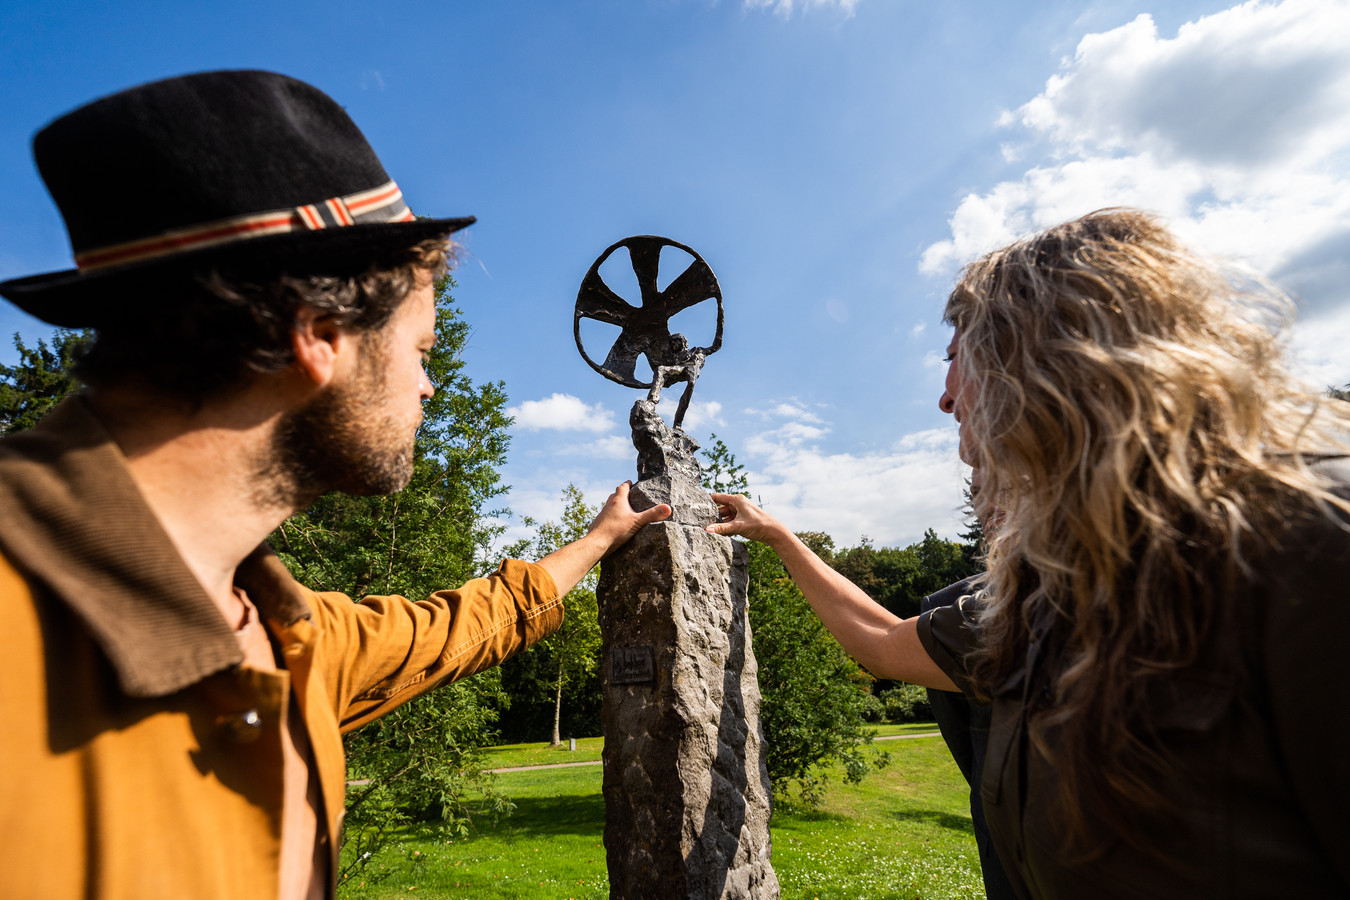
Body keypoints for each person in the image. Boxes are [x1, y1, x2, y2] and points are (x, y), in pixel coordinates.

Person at [0, 70, 669, 899]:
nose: (429, 388)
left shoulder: (291, 640)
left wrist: (600, 539)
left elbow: (460, 626)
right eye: (422, 352)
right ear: (320, 336)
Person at [708, 209, 1350, 898]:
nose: (946, 398)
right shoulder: (1045, 589)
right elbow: (885, 642)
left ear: (1048, 357)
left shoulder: (1310, 541)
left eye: (959, 360)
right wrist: (776, 534)